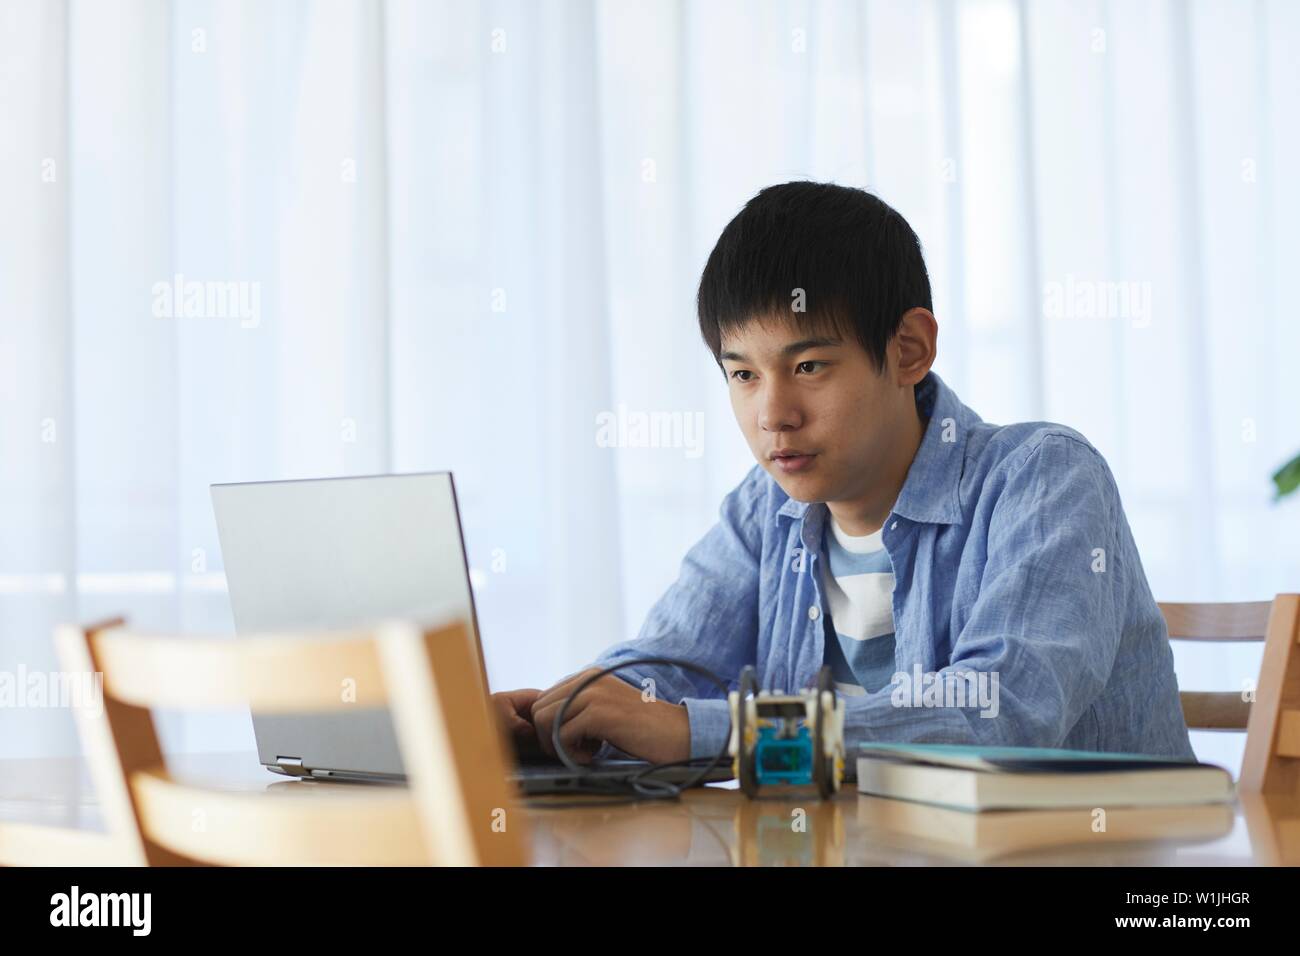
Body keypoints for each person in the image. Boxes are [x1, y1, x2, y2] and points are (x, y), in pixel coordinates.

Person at [493, 180, 1195, 768]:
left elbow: (1000, 714)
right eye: (742, 374)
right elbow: (676, 665)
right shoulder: (764, 509)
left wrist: (702, 733)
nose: (773, 415)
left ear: (909, 350)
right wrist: (561, 717)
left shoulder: (1043, 479)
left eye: (808, 367)